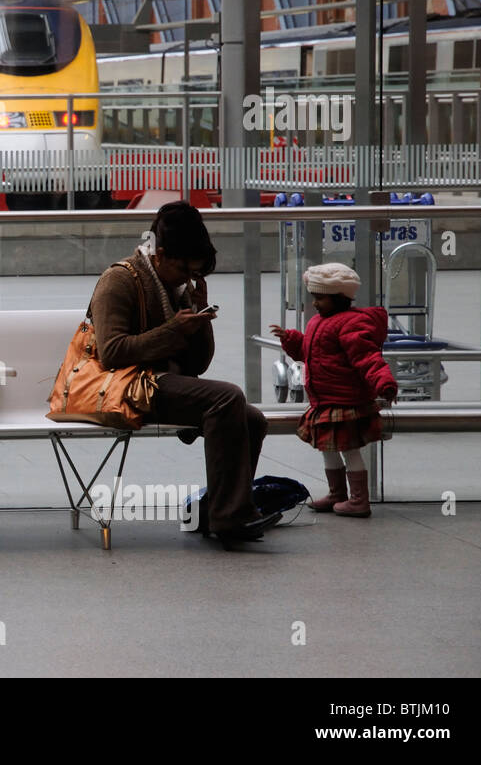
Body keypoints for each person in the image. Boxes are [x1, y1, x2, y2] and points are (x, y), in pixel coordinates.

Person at [89, 201, 280, 548]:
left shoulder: (175, 288)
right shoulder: (119, 279)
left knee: (252, 419)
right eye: (185, 270)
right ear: (160, 255)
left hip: (162, 384)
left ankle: (214, 511)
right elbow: (112, 353)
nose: (188, 278)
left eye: (196, 273)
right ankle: (230, 518)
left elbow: (197, 366)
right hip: (127, 387)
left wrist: (198, 316)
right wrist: (174, 330)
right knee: (228, 397)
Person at [270, 262, 397, 518]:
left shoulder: (350, 324)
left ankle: (359, 499)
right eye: (314, 298)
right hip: (325, 400)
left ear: (340, 298)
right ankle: (337, 493)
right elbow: (308, 352)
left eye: (320, 298)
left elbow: (367, 358)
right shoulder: (319, 322)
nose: (315, 303)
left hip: (345, 401)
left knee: (349, 450)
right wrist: (291, 339)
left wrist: (383, 382)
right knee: (327, 448)